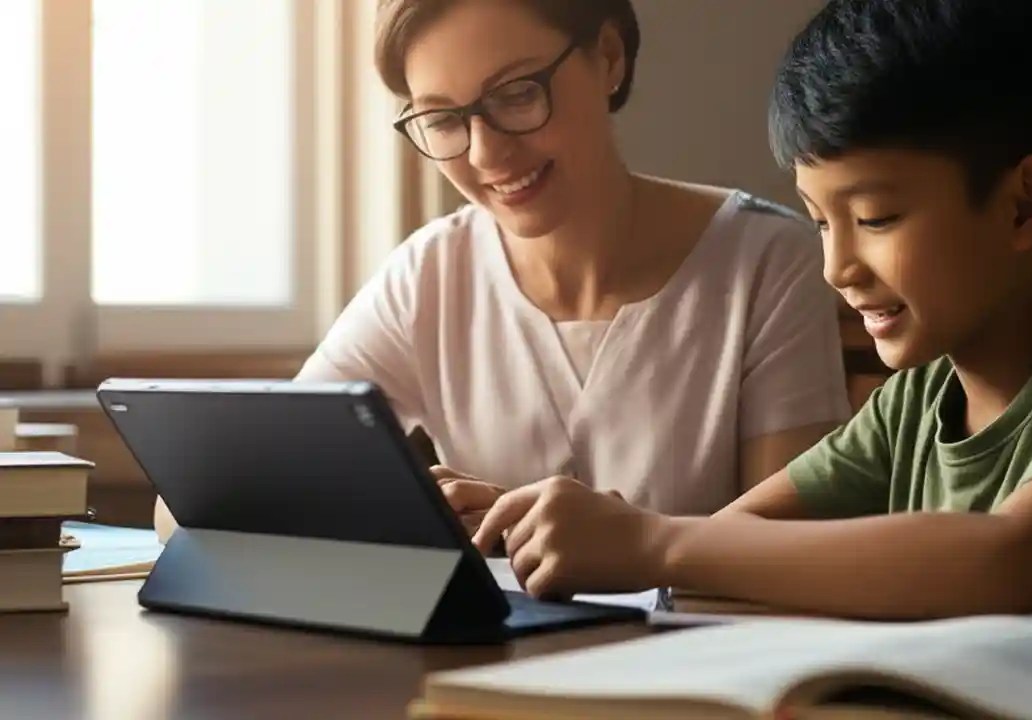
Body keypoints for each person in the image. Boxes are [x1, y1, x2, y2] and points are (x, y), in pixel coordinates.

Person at [470, 0, 1032, 617]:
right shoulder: (911, 404)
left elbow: (1008, 563)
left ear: (1023, 206)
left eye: (873, 219)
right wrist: (574, 530)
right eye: (818, 221)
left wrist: (651, 541)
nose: (836, 267)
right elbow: (724, 547)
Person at [153, 0, 850, 541]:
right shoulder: (431, 277)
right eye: (443, 118)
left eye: (517, 95)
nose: (486, 154)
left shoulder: (765, 263)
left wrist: (628, 543)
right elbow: (194, 506)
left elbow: (786, 552)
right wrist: (406, 516)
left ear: (608, 56)